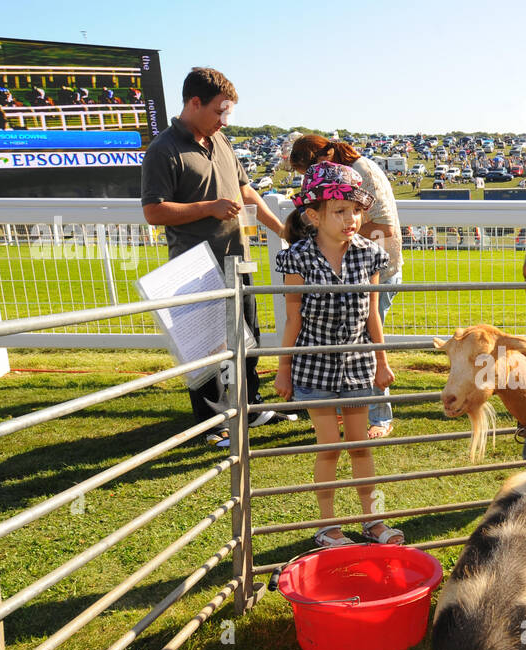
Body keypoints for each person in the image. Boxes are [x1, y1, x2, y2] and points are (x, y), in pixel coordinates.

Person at [141, 66, 289, 447]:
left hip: (236, 260)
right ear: (194, 103)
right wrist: (208, 207)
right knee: (207, 349)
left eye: (228, 113)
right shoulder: (162, 150)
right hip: (194, 266)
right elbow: (154, 212)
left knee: (248, 338)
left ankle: (249, 406)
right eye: (219, 112)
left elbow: (246, 191)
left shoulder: (220, 142)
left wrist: (281, 229)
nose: (224, 121)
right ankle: (210, 425)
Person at [273, 162, 402, 546]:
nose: (352, 219)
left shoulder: (369, 255)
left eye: (357, 211)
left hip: (359, 364)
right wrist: (284, 368)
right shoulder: (296, 257)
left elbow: (372, 313)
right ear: (314, 216)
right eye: (341, 211)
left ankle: (373, 521)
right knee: (329, 448)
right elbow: (292, 316)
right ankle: (328, 526)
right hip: (314, 367)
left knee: (361, 447)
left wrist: (382, 361)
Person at [288, 134, 403, 438]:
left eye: (307, 172)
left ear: (320, 159)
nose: (310, 181)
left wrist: (333, 231)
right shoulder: (351, 170)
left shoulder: (361, 171)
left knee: (365, 338)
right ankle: (344, 407)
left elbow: (385, 226)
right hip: (349, 269)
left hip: (374, 269)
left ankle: (379, 416)